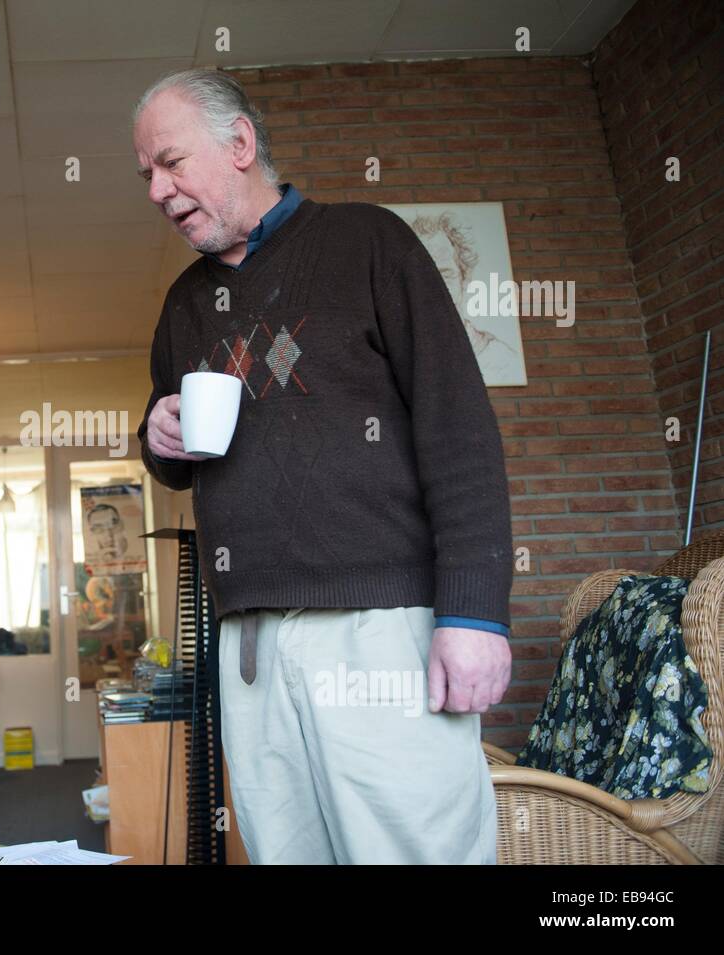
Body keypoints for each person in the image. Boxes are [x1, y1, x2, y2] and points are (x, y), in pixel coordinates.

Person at [132, 68, 514, 864]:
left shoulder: (370, 242)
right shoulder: (182, 306)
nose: (158, 191)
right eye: (147, 176)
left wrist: (473, 615)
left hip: (380, 630)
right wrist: (157, 437)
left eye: (171, 163)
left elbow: (461, 430)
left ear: (239, 143)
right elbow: (174, 453)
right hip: (250, 648)